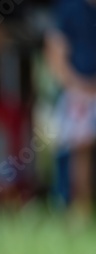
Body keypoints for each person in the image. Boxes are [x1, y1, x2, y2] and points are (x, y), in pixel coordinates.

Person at [46, 0, 96, 220]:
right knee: (80, 147)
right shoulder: (69, 9)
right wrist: (79, 86)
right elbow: (55, 52)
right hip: (78, 92)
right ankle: (79, 207)